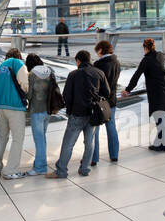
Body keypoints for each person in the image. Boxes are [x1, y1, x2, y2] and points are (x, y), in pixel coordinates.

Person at [47, 50, 110, 178]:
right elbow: (107, 93)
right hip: (93, 114)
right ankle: (85, 169)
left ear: (78, 61)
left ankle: (61, 171)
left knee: (68, 144)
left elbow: (67, 96)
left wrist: (70, 110)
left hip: (77, 114)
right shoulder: (99, 73)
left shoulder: (73, 74)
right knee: (89, 142)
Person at [126, 38, 165, 151]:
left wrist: (128, 89)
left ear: (145, 48)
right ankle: (158, 143)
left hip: (156, 93)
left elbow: (136, 75)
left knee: (160, 120)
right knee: (161, 119)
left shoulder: (146, 60)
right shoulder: (160, 55)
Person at [0, 48, 29, 179]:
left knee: (2, 137)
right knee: (18, 139)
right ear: (19, 56)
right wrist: (26, 94)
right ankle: (10, 170)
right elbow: (24, 83)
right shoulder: (17, 64)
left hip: (0, 107)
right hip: (15, 106)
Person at [24, 53, 57, 175]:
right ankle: (40, 163)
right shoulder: (49, 71)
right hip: (48, 109)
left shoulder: (32, 74)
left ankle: (40, 168)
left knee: (39, 140)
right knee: (42, 138)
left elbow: (29, 94)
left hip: (36, 110)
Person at [92, 40, 121, 164]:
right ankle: (114, 155)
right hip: (112, 100)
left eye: (97, 51)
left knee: (95, 131)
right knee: (111, 127)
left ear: (100, 50)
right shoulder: (117, 62)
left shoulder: (99, 65)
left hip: (99, 102)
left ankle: (94, 158)